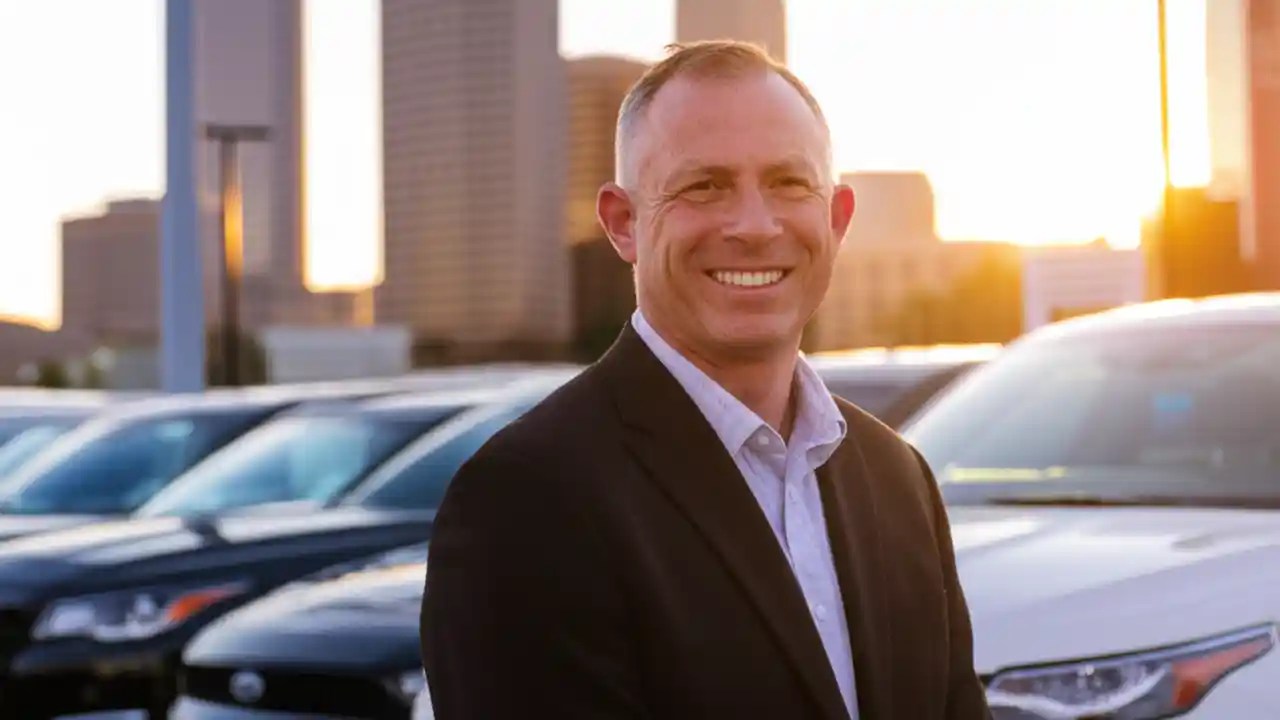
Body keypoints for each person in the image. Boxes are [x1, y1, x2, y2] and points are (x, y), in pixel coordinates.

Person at [420, 40, 991, 720]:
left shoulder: (899, 479)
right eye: (704, 186)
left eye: (787, 183)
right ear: (623, 223)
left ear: (836, 220)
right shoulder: (523, 500)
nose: (754, 225)